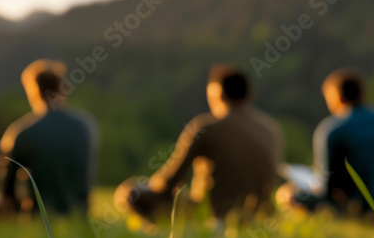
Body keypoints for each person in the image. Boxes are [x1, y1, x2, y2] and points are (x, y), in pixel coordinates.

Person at [115, 65, 283, 222]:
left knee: (132, 193)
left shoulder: (206, 127)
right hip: (258, 216)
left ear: (217, 95)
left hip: (212, 214)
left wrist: (144, 185)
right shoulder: (271, 129)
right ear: (248, 94)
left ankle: (161, 231)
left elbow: (169, 182)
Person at [284, 68, 374, 222]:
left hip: (359, 211)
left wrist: (297, 194)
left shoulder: (332, 129)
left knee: (287, 194)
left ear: (336, 97)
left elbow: (326, 189)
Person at [0, 59, 98, 219]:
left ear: (33, 91)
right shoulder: (86, 126)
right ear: (63, 90)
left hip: (38, 214)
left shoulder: (21, 131)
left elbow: (7, 191)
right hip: (79, 212)